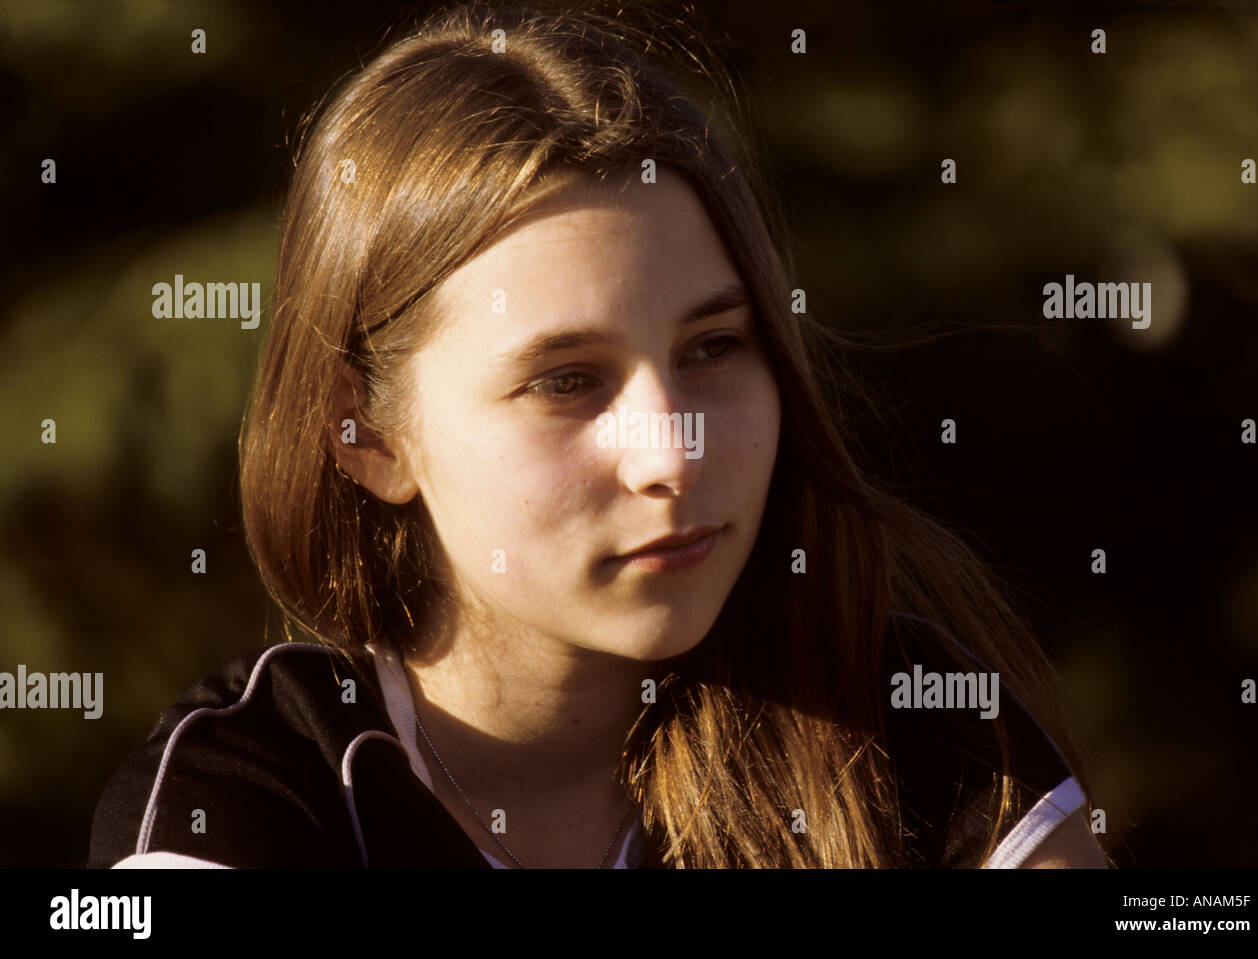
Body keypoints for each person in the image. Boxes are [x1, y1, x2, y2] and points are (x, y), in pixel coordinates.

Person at [89, 1, 1108, 869]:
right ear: (366, 435)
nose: (673, 452)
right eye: (566, 380)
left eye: (714, 346)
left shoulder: (910, 725)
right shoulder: (254, 791)